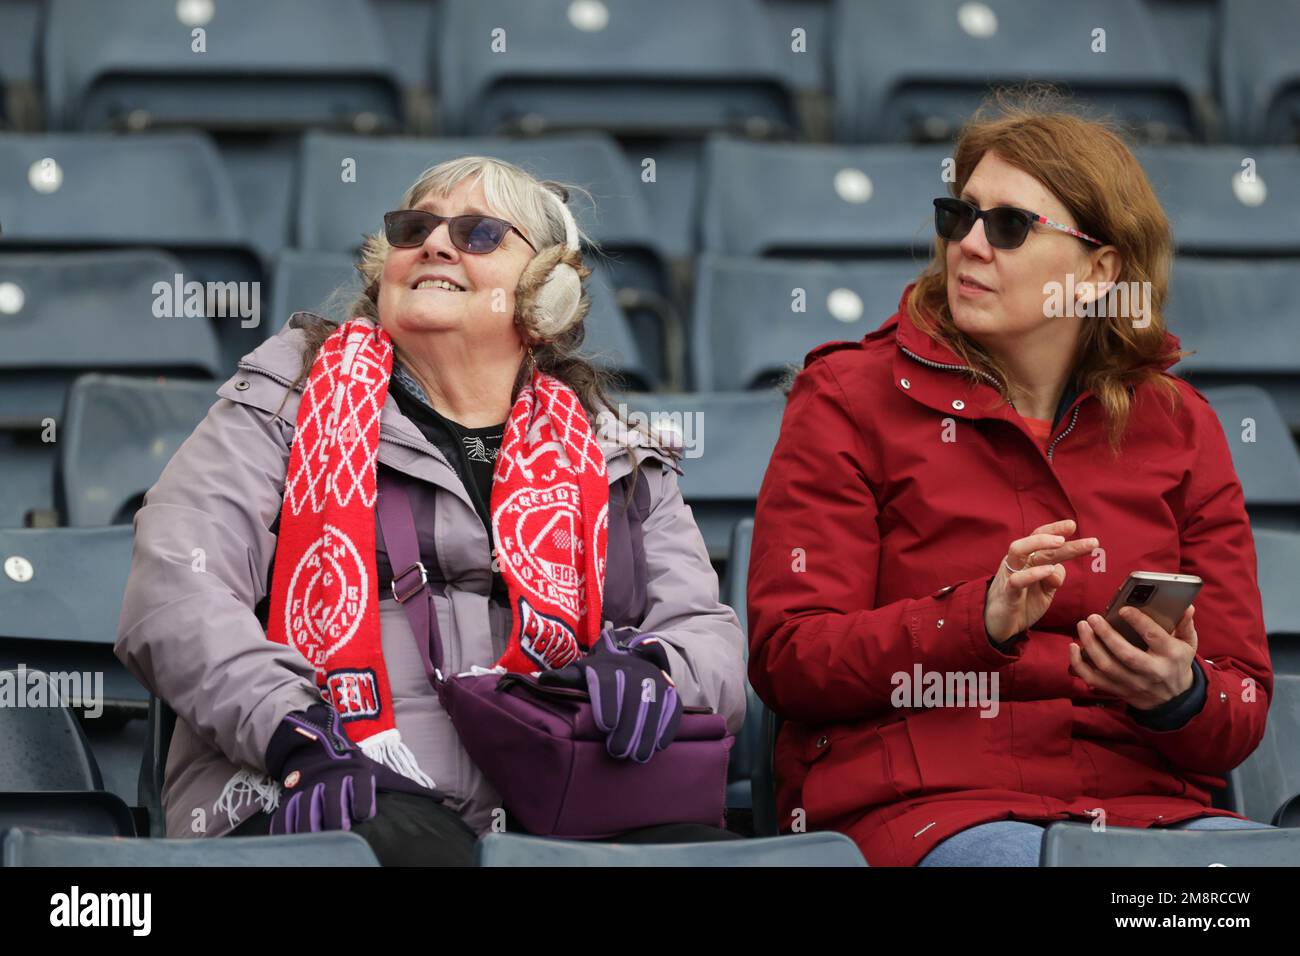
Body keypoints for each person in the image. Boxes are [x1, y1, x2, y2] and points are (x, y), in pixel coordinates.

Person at [116, 156, 746, 865]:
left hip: (573, 802)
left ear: (547, 292)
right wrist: (293, 732)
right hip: (332, 786)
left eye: (478, 234)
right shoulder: (283, 399)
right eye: (415, 228)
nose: (434, 246)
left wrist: (656, 670)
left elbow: (708, 637)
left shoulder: (617, 455)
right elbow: (174, 589)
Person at [746, 99, 1275, 867]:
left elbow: (1245, 702)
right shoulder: (847, 397)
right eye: (958, 215)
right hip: (931, 807)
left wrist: (1179, 691)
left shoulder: (1180, 425)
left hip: (1144, 815)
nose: (968, 245)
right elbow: (790, 658)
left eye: (1009, 227)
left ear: (1100, 271)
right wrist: (976, 622)